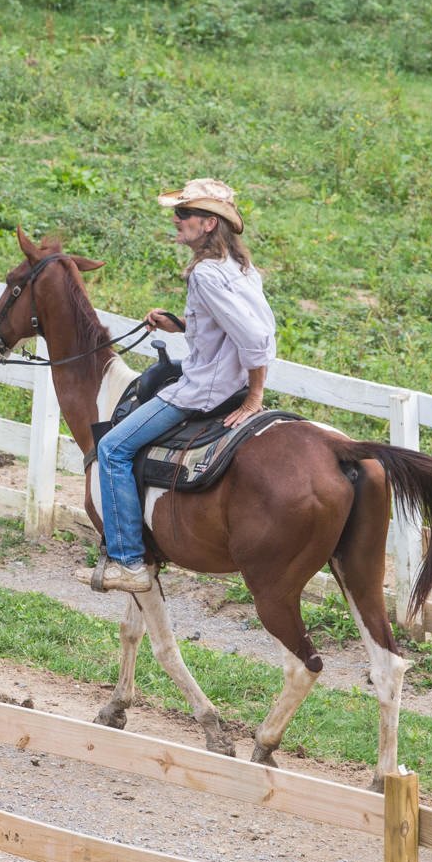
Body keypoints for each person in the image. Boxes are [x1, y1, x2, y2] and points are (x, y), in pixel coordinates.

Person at [84, 178, 278, 593]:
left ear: (208, 224)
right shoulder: (243, 269)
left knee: (112, 448)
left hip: (201, 392)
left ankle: (128, 560)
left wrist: (257, 397)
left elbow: (255, 339)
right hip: (228, 384)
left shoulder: (205, 275)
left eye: (184, 213)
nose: (177, 219)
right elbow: (234, 329)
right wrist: (184, 325)